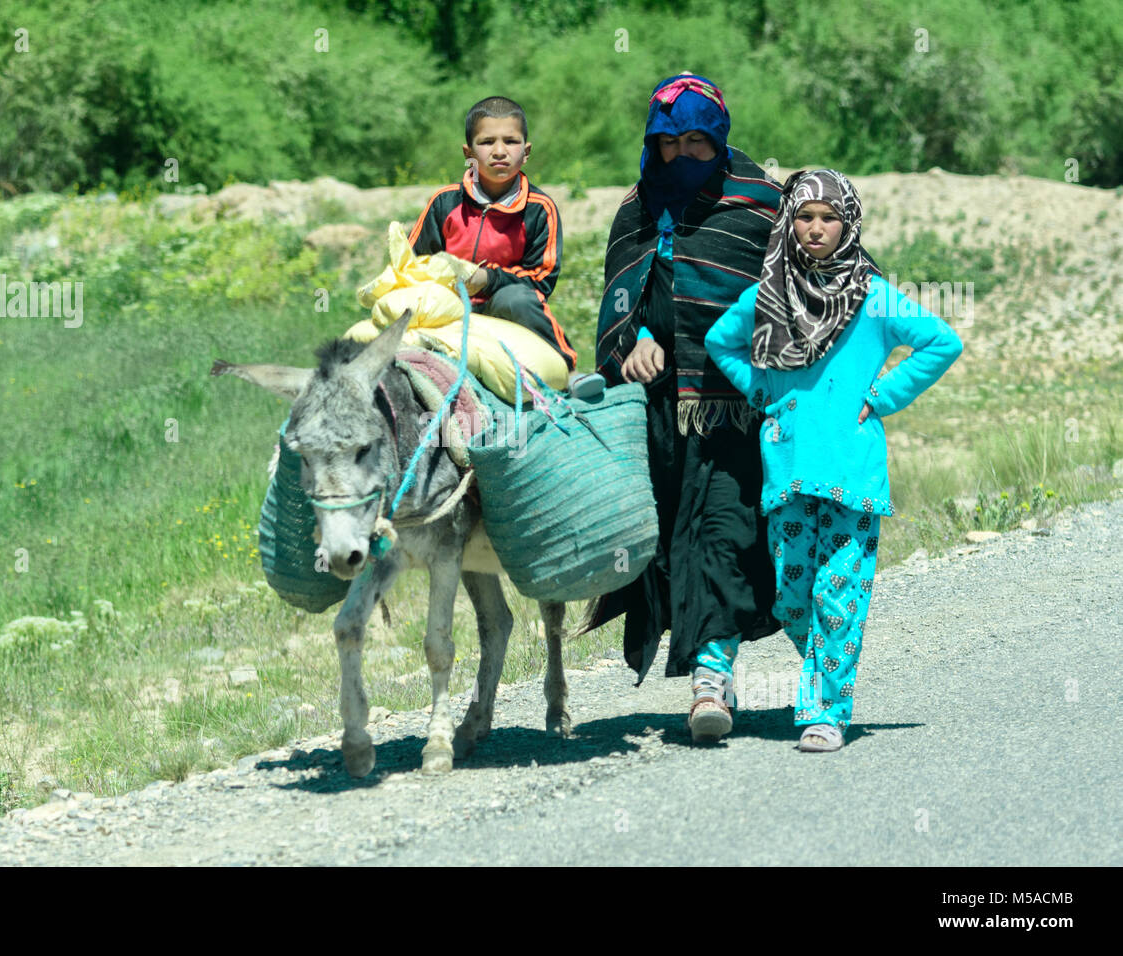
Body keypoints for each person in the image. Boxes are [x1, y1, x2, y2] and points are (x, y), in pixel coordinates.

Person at [705, 168, 962, 751]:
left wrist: (883, 396)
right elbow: (721, 341)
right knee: (792, 600)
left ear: (849, 224)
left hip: (853, 472)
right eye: (804, 217)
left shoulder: (873, 296)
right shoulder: (767, 295)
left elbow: (941, 341)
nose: (816, 229)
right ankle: (827, 674)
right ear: (787, 223)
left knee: (837, 594)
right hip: (789, 470)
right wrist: (761, 392)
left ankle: (827, 712)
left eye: (829, 218)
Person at [582, 73, 782, 742]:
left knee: (724, 531)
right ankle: (709, 664)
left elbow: (822, 276)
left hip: (735, 410)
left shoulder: (761, 204)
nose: (685, 154)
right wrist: (632, 339)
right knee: (671, 539)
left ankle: (711, 677)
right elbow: (618, 298)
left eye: (699, 140)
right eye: (671, 143)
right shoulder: (639, 208)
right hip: (659, 413)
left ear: (719, 137)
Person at [408, 95, 603, 396]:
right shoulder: (444, 203)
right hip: (448, 308)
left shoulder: (539, 209)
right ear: (468, 153)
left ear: (526, 152)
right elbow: (413, 263)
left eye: (511, 142)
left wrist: (489, 279)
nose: (499, 151)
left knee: (518, 299)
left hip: (503, 308)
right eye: (486, 142)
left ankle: (570, 370)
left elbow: (541, 281)